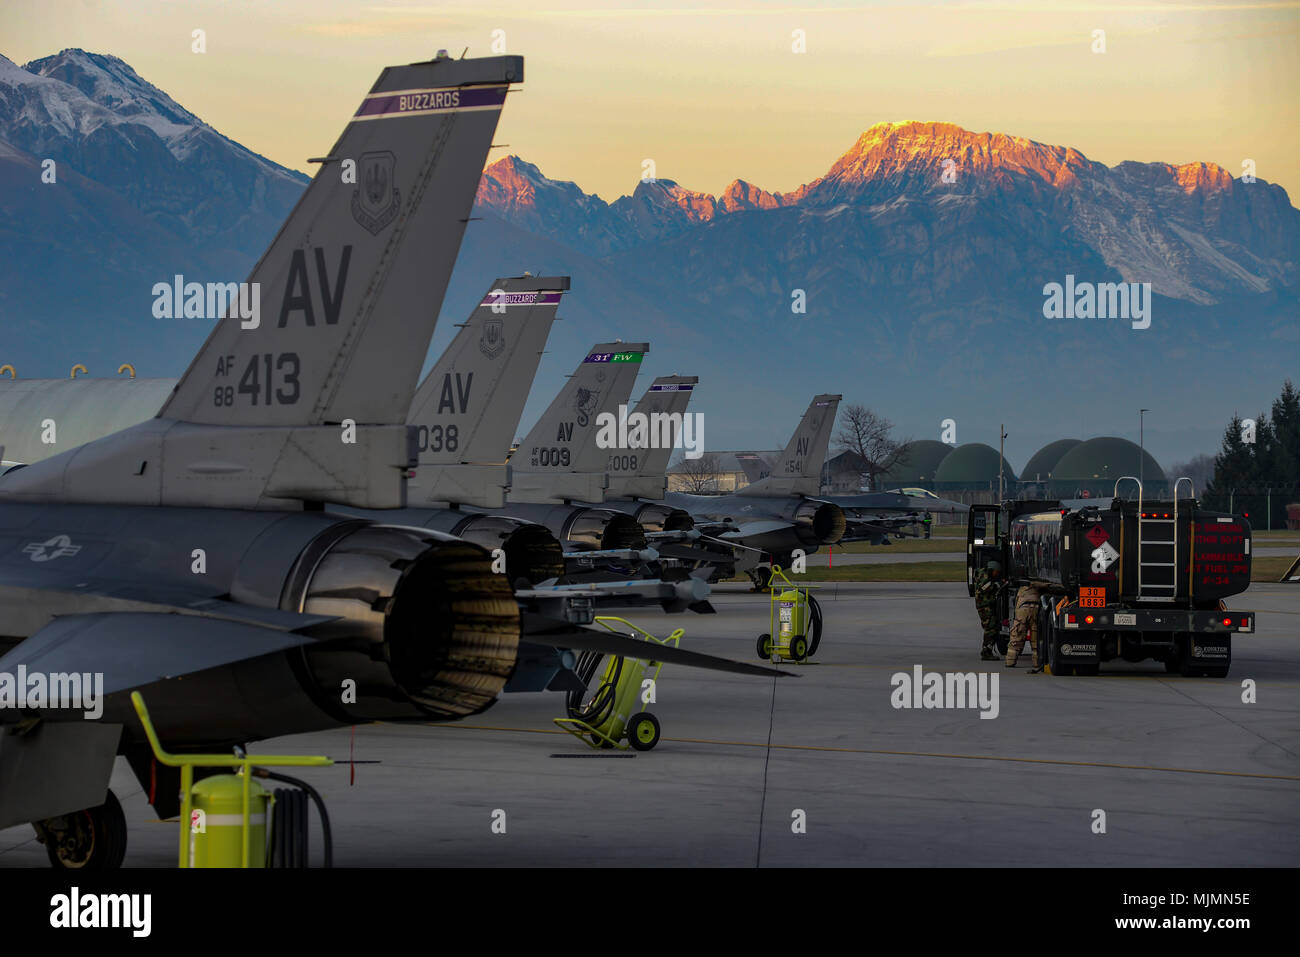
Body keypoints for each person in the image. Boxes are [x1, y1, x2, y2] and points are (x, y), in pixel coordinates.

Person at [1006, 581, 1048, 672]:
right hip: (1036, 608)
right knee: (1035, 637)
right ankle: (1037, 662)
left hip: (1023, 609)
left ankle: (1010, 661)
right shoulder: (1038, 588)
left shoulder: (1021, 590)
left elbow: (1016, 606)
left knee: (1017, 634)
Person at [974, 561, 1004, 660]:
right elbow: (985, 588)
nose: (997, 574)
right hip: (985, 606)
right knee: (990, 629)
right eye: (996, 572)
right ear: (992, 570)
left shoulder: (982, 573)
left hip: (984, 605)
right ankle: (986, 652)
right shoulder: (985, 577)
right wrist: (998, 585)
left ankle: (987, 650)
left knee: (991, 628)